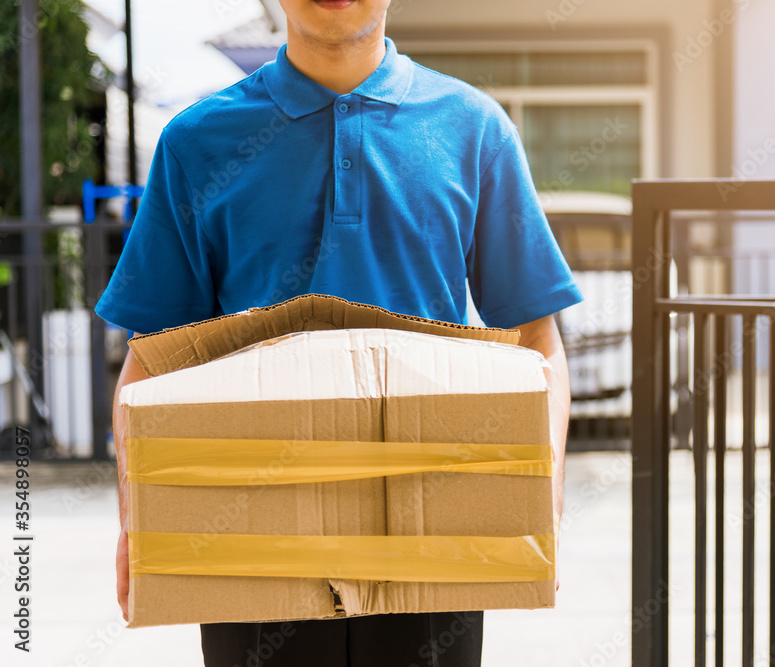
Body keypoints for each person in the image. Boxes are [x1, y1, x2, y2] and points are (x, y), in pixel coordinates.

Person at [95, 0, 582, 665]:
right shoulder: (198, 142)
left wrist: (541, 499)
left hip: (435, 540)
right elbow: (150, 365)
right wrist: (137, 515)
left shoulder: (473, 130)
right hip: (250, 544)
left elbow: (538, 344)